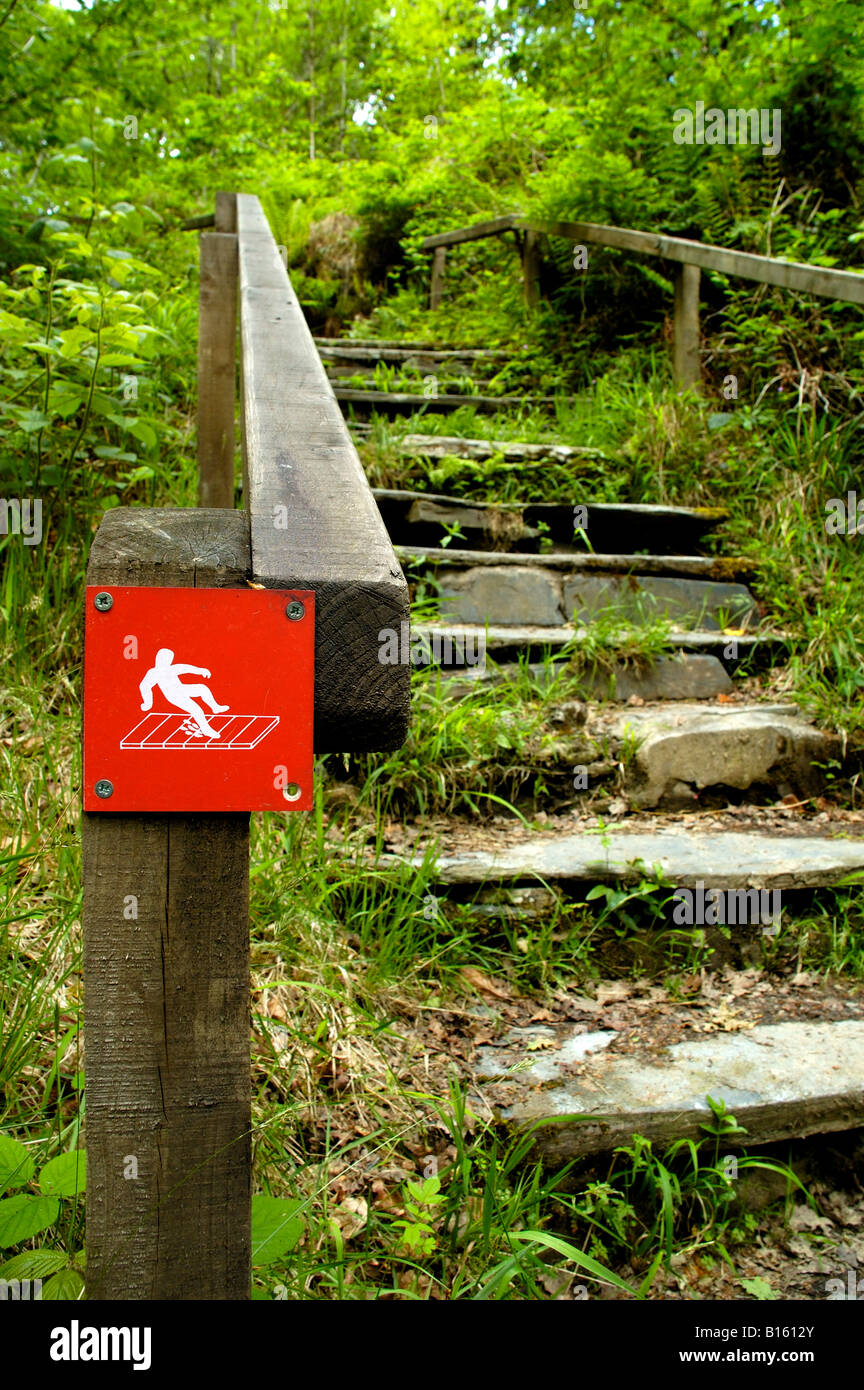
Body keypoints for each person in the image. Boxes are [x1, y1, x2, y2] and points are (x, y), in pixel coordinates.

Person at [138, 648, 229, 739]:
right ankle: (206, 730)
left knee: (202, 688)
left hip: (181, 689)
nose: (167, 661)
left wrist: (201, 670)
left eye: (169, 659)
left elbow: (186, 668)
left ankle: (215, 707)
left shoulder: (172, 668)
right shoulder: (154, 672)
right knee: (197, 710)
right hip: (174, 696)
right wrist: (148, 703)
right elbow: (144, 686)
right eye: (164, 659)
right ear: (158, 659)